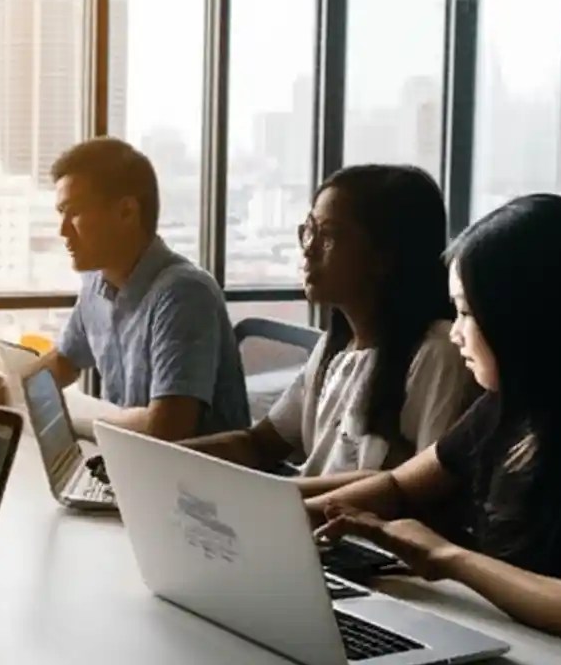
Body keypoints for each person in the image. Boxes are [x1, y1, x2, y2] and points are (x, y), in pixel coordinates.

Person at [312, 194, 561, 646]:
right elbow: (399, 485)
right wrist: (289, 517)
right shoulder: (507, 405)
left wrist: (445, 556)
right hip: (509, 636)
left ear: (523, 317)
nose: (455, 331)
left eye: (465, 312)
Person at [177, 165, 475, 495]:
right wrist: (165, 460)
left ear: (384, 256)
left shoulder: (438, 354)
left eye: (328, 235)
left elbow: (418, 492)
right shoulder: (335, 347)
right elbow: (260, 444)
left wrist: (283, 500)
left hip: (353, 540)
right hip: (304, 524)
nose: (309, 247)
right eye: (308, 230)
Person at [0, 137, 248, 441]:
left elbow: (166, 430)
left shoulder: (184, 294)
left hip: (193, 478)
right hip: (134, 461)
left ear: (126, 211)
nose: (62, 230)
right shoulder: (96, 283)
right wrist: (6, 389)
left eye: (73, 212)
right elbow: (65, 361)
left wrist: (71, 421)